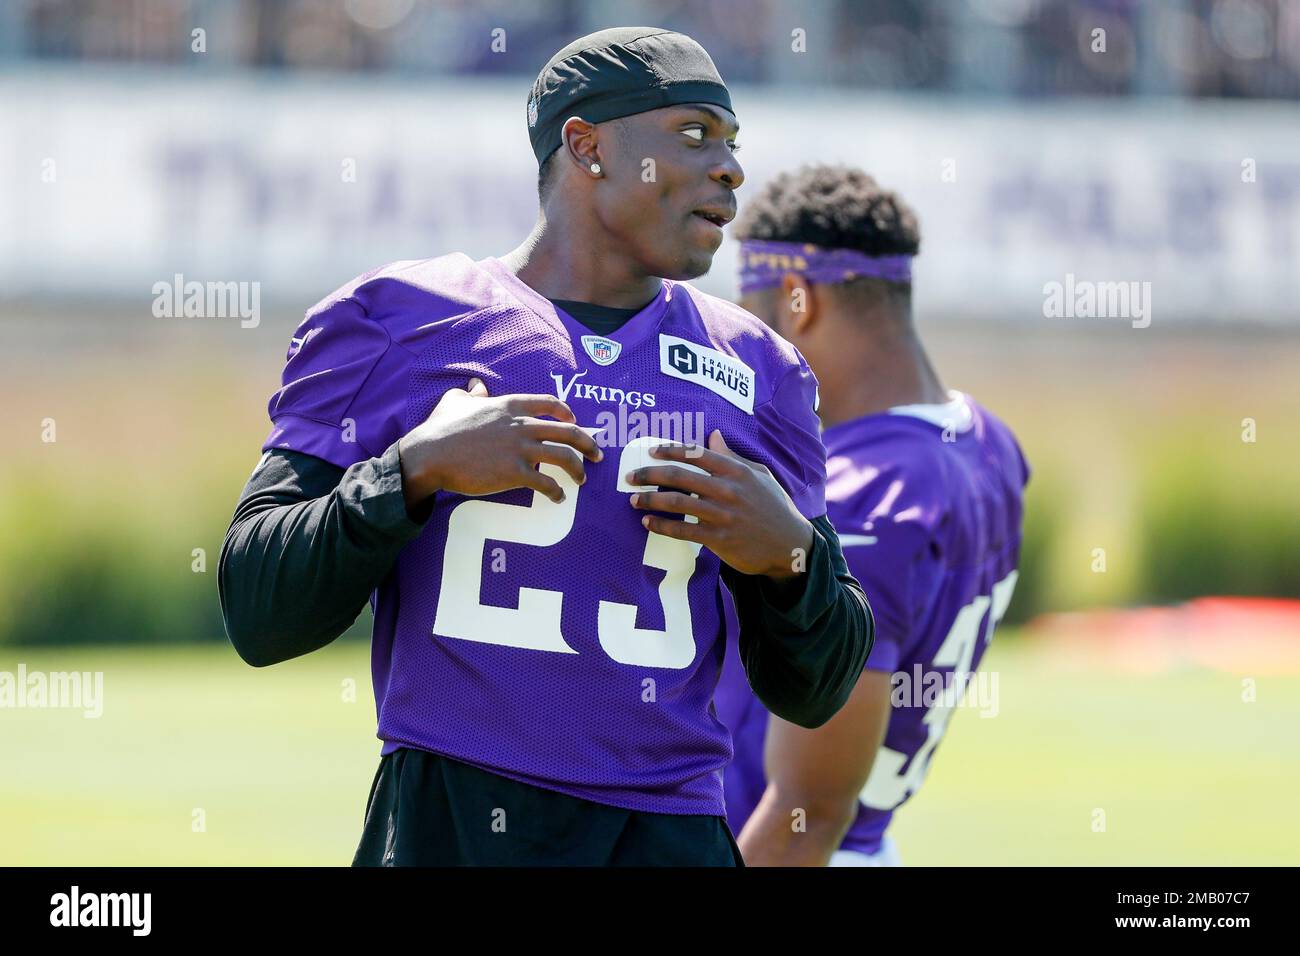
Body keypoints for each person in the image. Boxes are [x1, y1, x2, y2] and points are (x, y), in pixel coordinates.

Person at [218, 29, 872, 867]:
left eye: (734, 144)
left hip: (669, 835)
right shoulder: (397, 320)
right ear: (587, 144)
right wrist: (411, 473)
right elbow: (257, 609)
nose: (732, 170)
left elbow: (814, 690)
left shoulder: (761, 370)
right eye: (695, 135)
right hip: (456, 818)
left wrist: (789, 559)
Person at [715, 165, 1029, 866]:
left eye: (748, 316)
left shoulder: (865, 498)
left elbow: (810, 808)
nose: (736, 347)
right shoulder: (990, 443)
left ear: (798, 301)